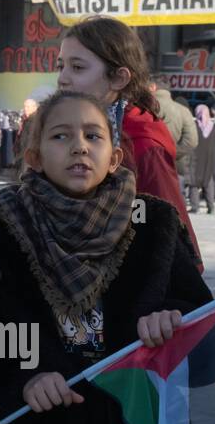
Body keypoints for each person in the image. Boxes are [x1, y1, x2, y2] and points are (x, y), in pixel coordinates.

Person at [0, 90, 214, 424]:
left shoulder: (154, 226)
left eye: (94, 136)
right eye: (60, 136)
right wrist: (22, 384)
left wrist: (174, 320)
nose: (79, 146)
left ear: (114, 157)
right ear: (33, 156)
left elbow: (207, 334)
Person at [56, 15, 201, 269]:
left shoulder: (142, 142)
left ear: (118, 78)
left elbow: (171, 231)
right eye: (61, 66)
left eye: (77, 67)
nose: (63, 78)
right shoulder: (59, 131)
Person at [152, 77, 197, 193]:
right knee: (175, 203)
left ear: (153, 87)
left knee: (145, 205)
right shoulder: (183, 111)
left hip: (147, 166)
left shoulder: (143, 109)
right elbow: (192, 141)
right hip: (176, 166)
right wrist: (172, 153)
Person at [188, 104, 215, 214]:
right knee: (209, 182)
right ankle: (211, 207)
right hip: (209, 159)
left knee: (194, 182)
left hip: (196, 158)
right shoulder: (213, 127)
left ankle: (195, 207)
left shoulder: (194, 126)